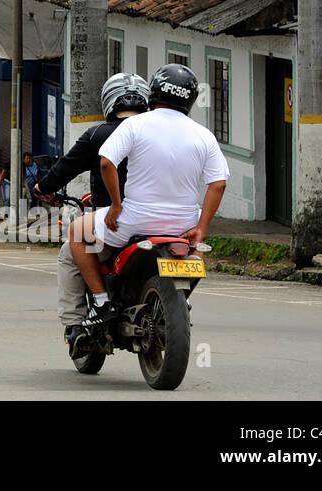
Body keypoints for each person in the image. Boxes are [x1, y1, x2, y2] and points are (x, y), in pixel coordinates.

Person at [73, 65, 229, 333]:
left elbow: (107, 163)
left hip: (135, 221)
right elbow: (218, 183)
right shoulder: (204, 135)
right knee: (195, 259)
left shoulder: (135, 124)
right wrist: (201, 228)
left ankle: (100, 302)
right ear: (190, 99)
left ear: (153, 93)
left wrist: (116, 205)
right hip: (183, 227)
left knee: (78, 232)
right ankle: (180, 302)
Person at [33, 73, 149, 356]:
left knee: (69, 253)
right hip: (163, 223)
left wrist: (43, 187)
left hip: (114, 223)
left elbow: (65, 168)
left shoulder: (98, 135)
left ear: (109, 100)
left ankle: (82, 318)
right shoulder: (158, 134)